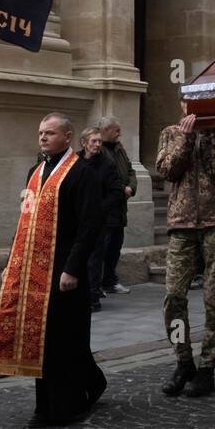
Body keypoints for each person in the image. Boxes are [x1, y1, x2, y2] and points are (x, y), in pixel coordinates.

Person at [0, 114, 105, 426]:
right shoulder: (35, 171)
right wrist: (11, 263)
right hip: (35, 270)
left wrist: (73, 268)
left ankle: (70, 404)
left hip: (67, 270)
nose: (42, 138)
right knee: (44, 338)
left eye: (49, 133)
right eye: (40, 132)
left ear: (67, 137)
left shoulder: (82, 172)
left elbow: (89, 225)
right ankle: (47, 405)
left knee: (67, 337)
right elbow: (24, 220)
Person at [155, 106, 215, 398]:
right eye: (187, 103)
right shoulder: (171, 133)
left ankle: (207, 366)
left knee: (214, 297)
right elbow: (167, 170)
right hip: (181, 225)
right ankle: (183, 360)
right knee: (174, 296)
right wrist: (186, 139)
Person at [77, 126, 118, 313]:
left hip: (97, 220)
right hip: (77, 218)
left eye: (99, 141)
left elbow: (115, 192)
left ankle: (93, 298)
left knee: (94, 259)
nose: (97, 144)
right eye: (93, 141)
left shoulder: (107, 164)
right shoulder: (74, 161)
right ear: (84, 142)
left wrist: (99, 209)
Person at [97, 117, 135, 295]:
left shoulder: (120, 148)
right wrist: (121, 189)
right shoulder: (98, 149)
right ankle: (96, 284)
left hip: (120, 208)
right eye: (116, 130)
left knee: (115, 247)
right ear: (105, 131)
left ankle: (110, 281)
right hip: (105, 208)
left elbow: (130, 170)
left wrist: (131, 187)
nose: (119, 134)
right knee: (102, 247)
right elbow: (101, 177)